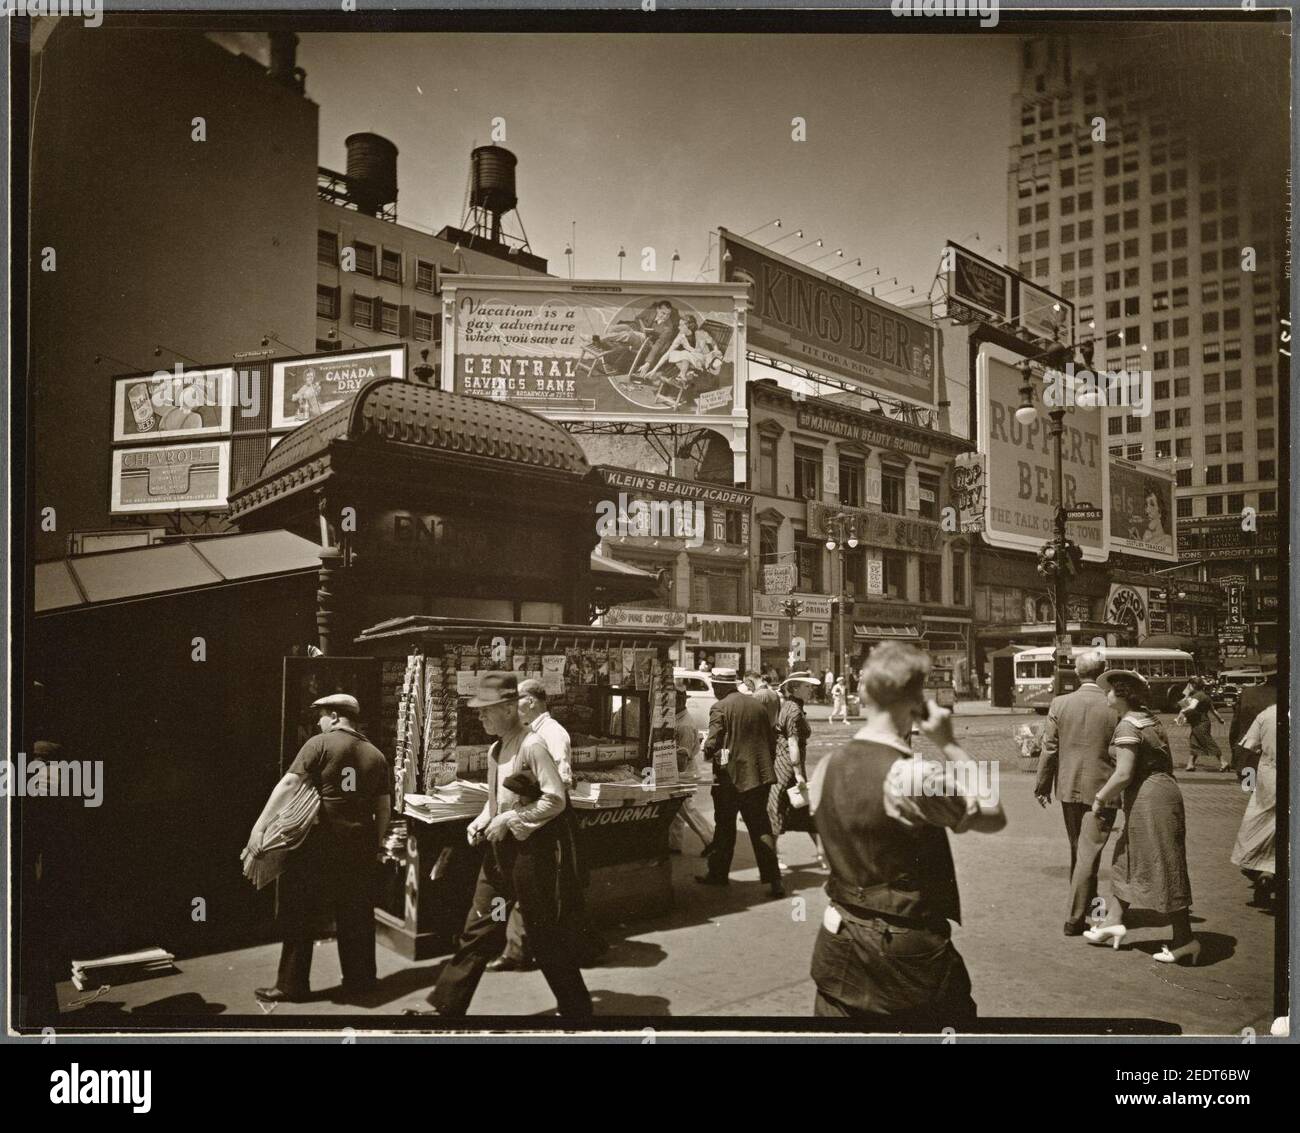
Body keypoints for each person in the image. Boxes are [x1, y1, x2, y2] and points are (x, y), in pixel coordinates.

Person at [808, 643, 1005, 1026]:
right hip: (907, 956)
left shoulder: (827, 766)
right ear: (918, 701)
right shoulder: (914, 776)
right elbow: (994, 814)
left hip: (839, 944)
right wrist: (948, 743)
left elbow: (825, 851)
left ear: (862, 694)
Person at [415, 673, 592, 1019]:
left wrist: (508, 820)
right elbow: (495, 800)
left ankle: (577, 1008)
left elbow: (556, 800)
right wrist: (482, 820)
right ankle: (447, 1008)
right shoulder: (496, 748)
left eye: (487, 710)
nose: (479, 717)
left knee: (543, 935)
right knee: (480, 926)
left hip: (531, 857)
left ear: (510, 709)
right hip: (499, 857)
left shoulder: (533, 745)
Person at [250, 693, 391, 1004]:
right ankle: (361, 981)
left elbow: (288, 785)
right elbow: (383, 807)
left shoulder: (319, 743)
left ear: (336, 717)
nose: (318, 721)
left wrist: (260, 826)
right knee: (356, 913)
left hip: (321, 843)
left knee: (300, 912)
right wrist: (377, 844)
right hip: (360, 844)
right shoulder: (377, 755)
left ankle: (291, 985)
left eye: (322, 715)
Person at [1084, 671, 1197, 965]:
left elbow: (1123, 774)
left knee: (1163, 863)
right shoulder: (1148, 718)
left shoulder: (1127, 725)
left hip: (1149, 799)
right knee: (1126, 857)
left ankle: (1185, 940)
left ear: (1121, 694)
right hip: (1161, 792)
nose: (1106, 694)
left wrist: (1099, 798)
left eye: (1109, 690)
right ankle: (1113, 921)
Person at [492, 678, 601, 972]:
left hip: (549, 819)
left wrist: (527, 797)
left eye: (519, 701)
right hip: (530, 817)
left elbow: (562, 779)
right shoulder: (528, 734)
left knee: (557, 888)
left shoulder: (552, 734)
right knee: (531, 888)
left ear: (531, 701)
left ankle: (570, 952)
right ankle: (521, 951)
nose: (515, 708)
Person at [1033, 650, 1120, 935]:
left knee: (1079, 849)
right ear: (1103, 671)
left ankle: (1083, 909)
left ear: (1076, 672)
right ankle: (1076, 918)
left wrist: (1043, 784)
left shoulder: (1060, 703)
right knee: (1089, 852)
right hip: (1104, 788)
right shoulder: (1114, 706)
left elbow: (1049, 748)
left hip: (1069, 787)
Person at [698, 671, 783, 897]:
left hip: (731, 779)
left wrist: (705, 749)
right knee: (760, 827)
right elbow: (771, 742)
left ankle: (718, 874)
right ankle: (775, 881)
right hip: (759, 777)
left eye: (715, 686)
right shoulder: (756, 705)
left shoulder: (720, 707)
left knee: (725, 826)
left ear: (718, 686)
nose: (714, 691)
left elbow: (714, 742)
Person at [767, 671, 827, 872]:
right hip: (787, 767)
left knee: (804, 808)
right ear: (794, 688)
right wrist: (798, 773)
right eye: (807, 686)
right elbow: (792, 743)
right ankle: (772, 858)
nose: (811, 690)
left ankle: (822, 853)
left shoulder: (792, 706)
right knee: (776, 809)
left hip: (790, 766)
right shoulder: (793, 710)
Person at [1231, 703, 1277, 908]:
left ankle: (1262, 871)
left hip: (1270, 776)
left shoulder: (1267, 713)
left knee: (1263, 823)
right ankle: (1273, 872)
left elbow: (1248, 746)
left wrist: (1246, 779)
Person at [1230, 673, 1277, 776]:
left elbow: (1235, 727)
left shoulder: (1247, 693)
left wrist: (1235, 755)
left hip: (1248, 760)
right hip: (1275, 762)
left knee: (1251, 788)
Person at [1177, 676, 1228, 772]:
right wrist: (1220, 719)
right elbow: (1214, 711)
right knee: (1194, 742)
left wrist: (1183, 711)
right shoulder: (1205, 696)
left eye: (1190, 684)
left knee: (1208, 742)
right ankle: (1190, 764)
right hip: (1202, 722)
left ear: (1194, 685)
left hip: (1200, 723)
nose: (1188, 686)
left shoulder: (1197, 696)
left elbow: (1192, 707)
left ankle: (1223, 762)